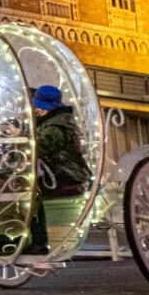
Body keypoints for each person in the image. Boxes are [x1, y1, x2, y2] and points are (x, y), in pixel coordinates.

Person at [26, 85, 91, 255]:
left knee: (31, 192)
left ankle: (39, 241)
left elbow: (41, 146)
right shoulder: (50, 121)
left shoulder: (58, 125)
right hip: (55, 170)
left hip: (66, 172)